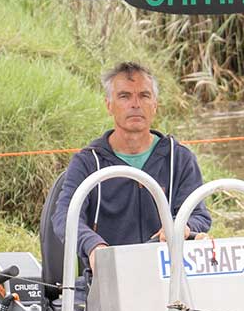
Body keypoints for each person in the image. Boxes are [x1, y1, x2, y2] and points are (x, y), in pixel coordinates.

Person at [44, 62, 212, 280]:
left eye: (144, 96)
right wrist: (94, 246)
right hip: (105, 280)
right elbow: (64, 217)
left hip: (169, 280)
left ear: (155, 105)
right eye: (124, 96)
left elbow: (198, 214)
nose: (135, 104)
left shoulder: (179, 157)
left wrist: (184, 227)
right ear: (109, 105)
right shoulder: (87, 161)